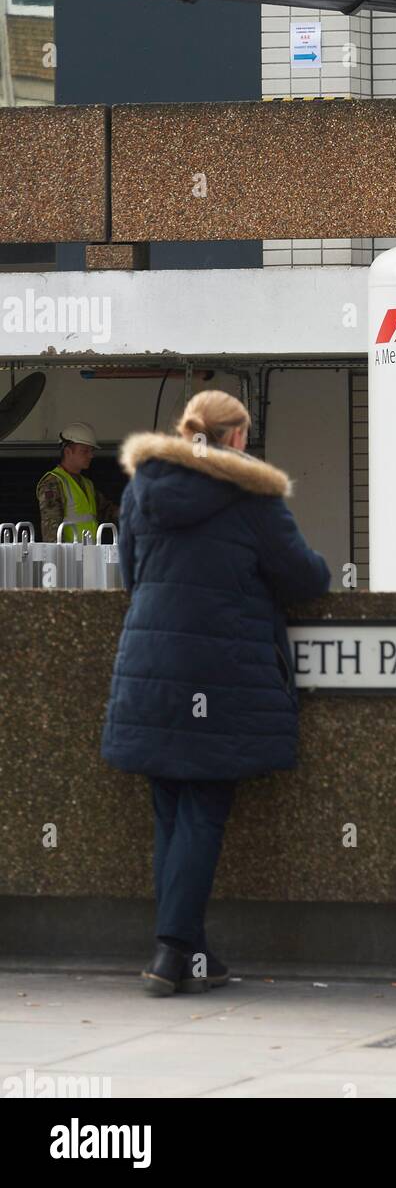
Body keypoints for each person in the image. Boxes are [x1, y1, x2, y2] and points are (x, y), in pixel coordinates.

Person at [101, 391, 330, 997]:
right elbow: (305, 578)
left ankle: (191, 954)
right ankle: (173, 950)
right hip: (219, 670)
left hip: (150, 667)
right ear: (235, 439)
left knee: (172, 809)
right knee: (202, 808)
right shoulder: (252, 496)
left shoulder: (141, 489)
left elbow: (131, 576)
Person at [36, 421, 118, 543]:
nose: (90, 456)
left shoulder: (87, 484)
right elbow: (51, 532)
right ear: (68, 452)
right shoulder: (53, 483)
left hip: (89, 555)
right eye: (85, 451)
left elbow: (107, 510)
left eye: (91, 451)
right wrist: (59, 559)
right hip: (69, 559)